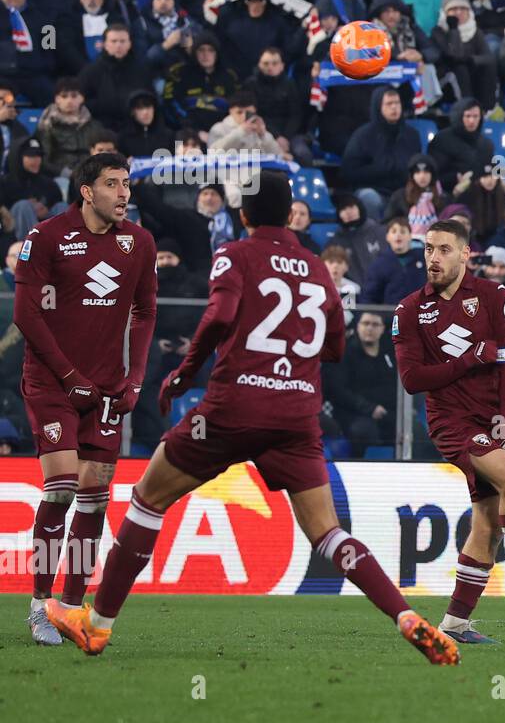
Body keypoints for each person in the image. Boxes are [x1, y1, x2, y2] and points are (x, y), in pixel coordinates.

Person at [45, 170, 460, 665]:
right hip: (297, 415)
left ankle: (96, 624)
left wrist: (184, 372)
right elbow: (335, 346)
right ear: (291, 215)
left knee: (148, 500)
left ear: (242, 215)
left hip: (234, 407)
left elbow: (220, 316)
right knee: (328, 533)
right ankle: (406, 616)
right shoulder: (316, 268)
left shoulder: (235, 254)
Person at [393, 218, 505, 644]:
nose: (433, 257)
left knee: (486, 521)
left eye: (443, 249)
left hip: (491, 419)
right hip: (450, 422)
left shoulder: (494, 296)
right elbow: (413, 380)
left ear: (466, 254)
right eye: (428, 248)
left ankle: (455, 623)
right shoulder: (409, 309)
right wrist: (468, 359)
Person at [14, 153, 157, 645]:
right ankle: (37, 605)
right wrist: (69, 375)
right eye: (113, 184)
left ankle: (69, 609)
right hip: (51, 383)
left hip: (106, 389)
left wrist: (135, 377)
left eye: (127, 184)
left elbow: (145, 312)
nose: (124, 194)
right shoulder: (47, 237)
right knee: (61, 489)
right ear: (86, 191)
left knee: (95, 503)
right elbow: (26, 316)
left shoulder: (138, 242)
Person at [325, 311, 397, 454]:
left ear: (383, 329)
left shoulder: (389, 353)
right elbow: (339, 391)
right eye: (365, 323)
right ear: (358, 326)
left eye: (375, 324)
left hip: (388, 411)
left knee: (415, 429)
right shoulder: (345, 352)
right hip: (353, 413)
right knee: (364, 431)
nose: (369, 328)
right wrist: (370, 408)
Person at [361, 217, 425, 305]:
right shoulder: (378, 264)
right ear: (387, 237)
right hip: (391, 315)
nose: (398, 235)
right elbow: (369, 296)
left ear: (410, 236)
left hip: (422, 313)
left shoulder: (424, 258)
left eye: (403, 232)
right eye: (394, 231)